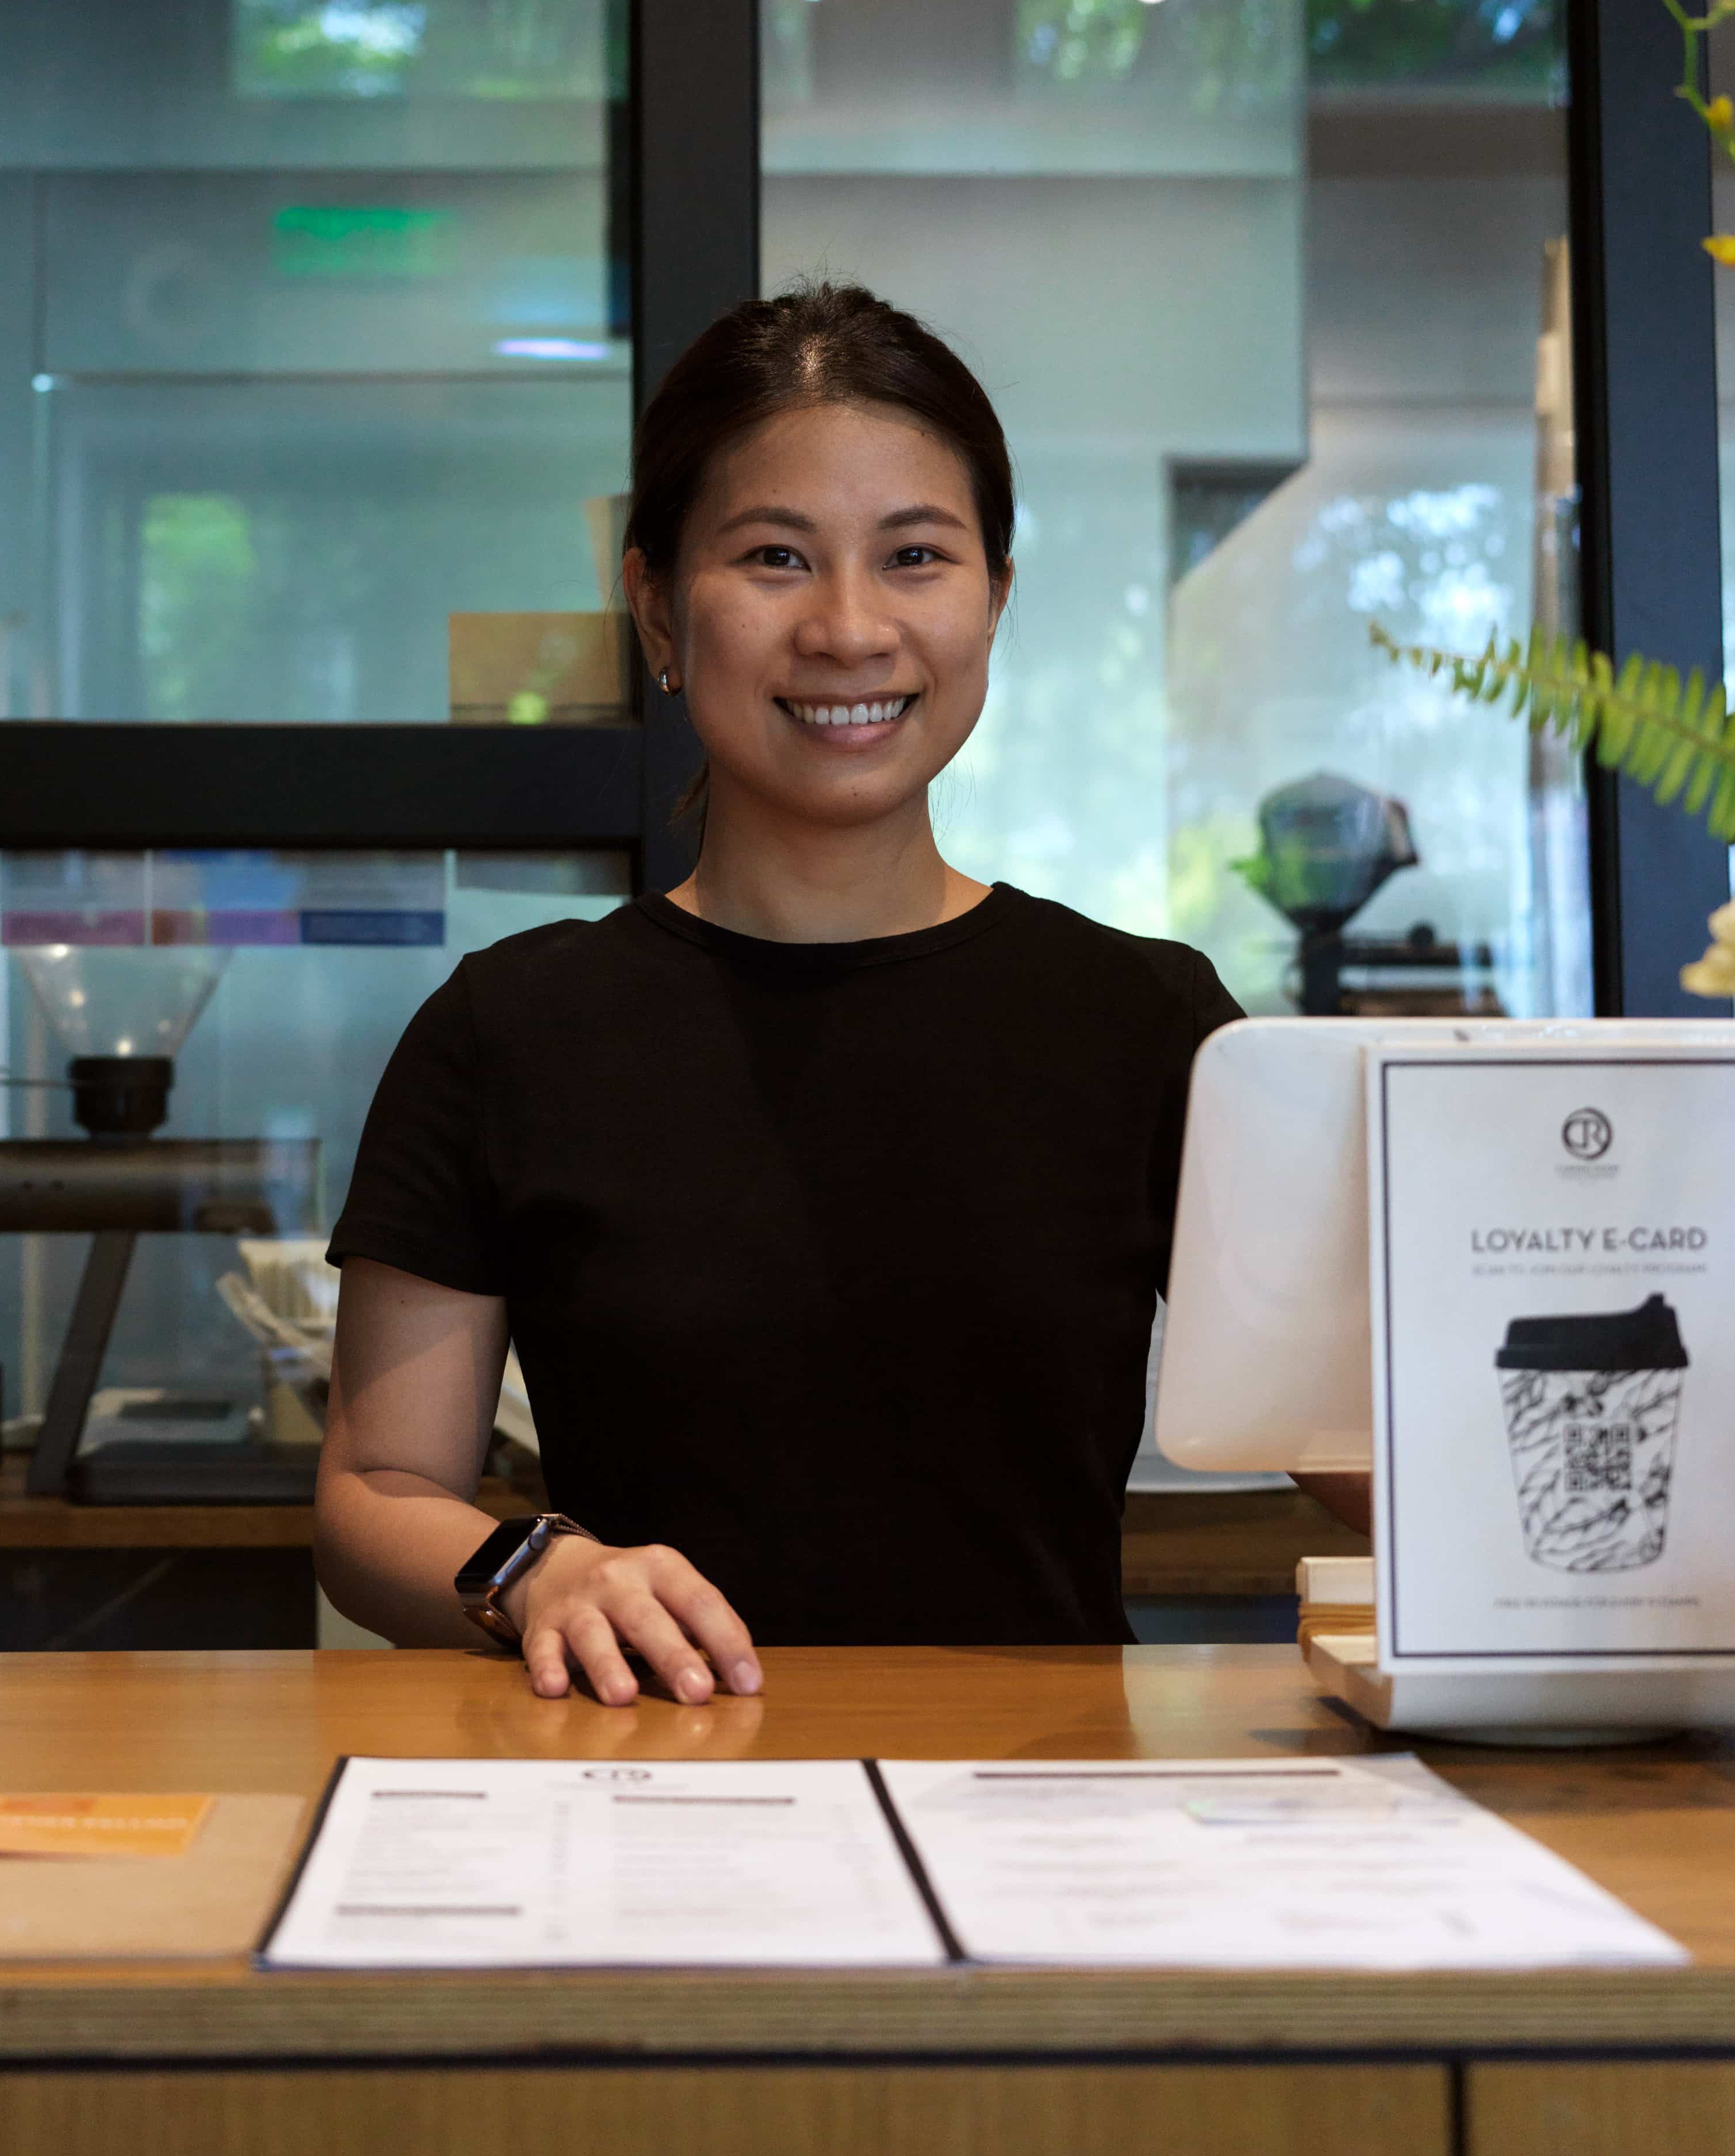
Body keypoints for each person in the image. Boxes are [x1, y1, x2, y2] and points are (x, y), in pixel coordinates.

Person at [313, 280, 1249, 1705]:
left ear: (994, 596)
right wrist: (539, 1569)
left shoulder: (1152, 1023)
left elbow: (1371, 1450)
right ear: (653, 603)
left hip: (1044, 1824)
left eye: (915, 555)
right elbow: (374, 1490)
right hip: (648, 1794)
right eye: (773, 556)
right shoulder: (506, 1029)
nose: (848, 628)